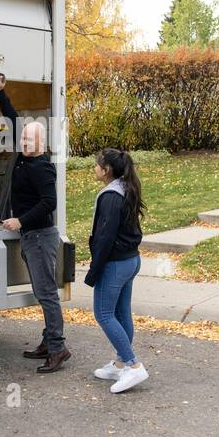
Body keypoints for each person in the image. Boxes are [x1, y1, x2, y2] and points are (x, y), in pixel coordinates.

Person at [0, 76, 69, 373]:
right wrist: (1, 93)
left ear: (41, 143)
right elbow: (13, 120)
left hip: (40, 237)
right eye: (23, 139)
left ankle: (58, 348)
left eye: (29, 140)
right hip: (31, 237)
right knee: (43, 292)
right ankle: (47, 342)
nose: (24, 143)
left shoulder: (42, 167)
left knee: (47, 293)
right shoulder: (25, 156)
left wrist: (19, 220)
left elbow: (49, 203)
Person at [84, 148, 147, 393]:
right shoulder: (125, 188)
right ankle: (121, 362)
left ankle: (132, 366)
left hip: (116, 264)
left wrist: (94, 270)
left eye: (97, 165)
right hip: (130, 260)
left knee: (103, 314)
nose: (94, 168)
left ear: (106, 170)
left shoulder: (111, 196)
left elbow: (104, 238)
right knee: (121, 313)